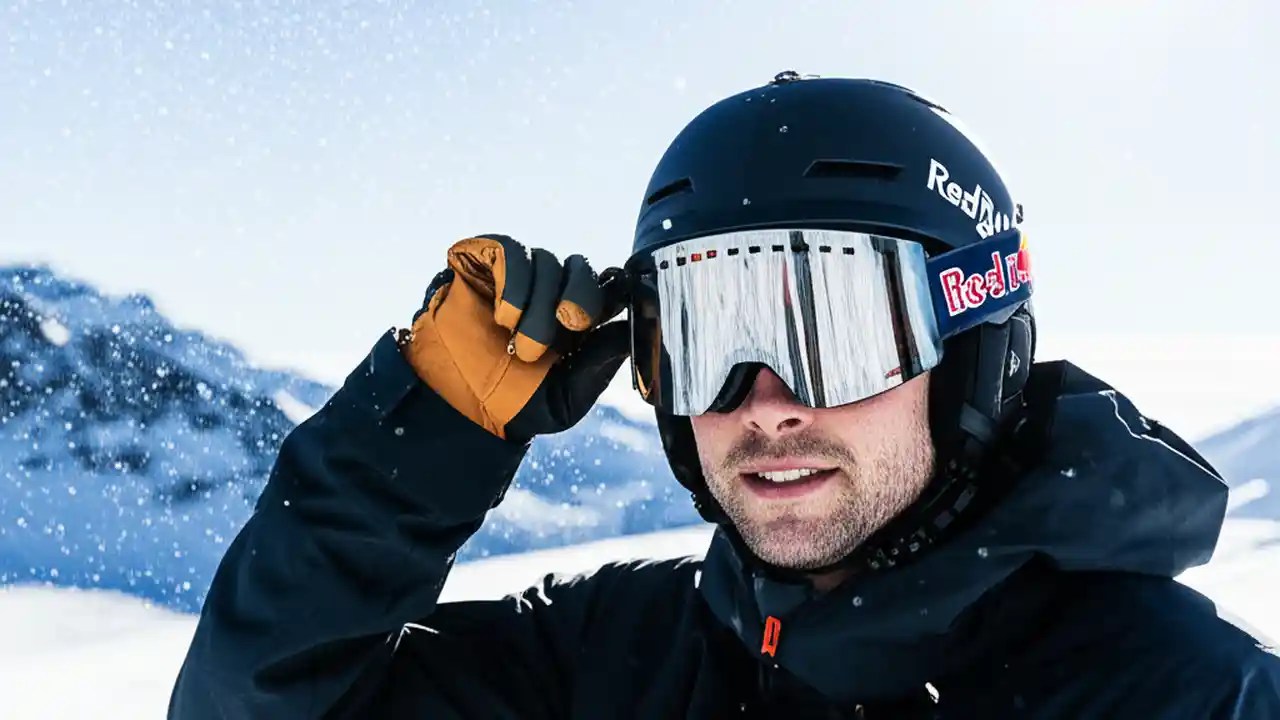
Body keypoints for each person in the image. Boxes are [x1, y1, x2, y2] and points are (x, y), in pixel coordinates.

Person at [169, 74, 1280, 719]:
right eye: (701, 341)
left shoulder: (1183, 698)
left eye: (831, 330)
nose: (762, 403)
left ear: (971, 352)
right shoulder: (611, 661)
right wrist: (419, 434)